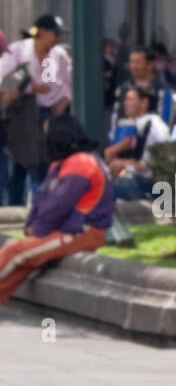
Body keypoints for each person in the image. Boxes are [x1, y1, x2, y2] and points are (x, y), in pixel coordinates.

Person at [0, 114, 112, 305]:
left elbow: (58, 205)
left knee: (16, 250)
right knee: (22, 257)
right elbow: (41, 199)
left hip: (82, 231)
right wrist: (31, 226)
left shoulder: (81, 163)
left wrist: (37, 230)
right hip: (65, 229)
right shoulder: (62, 163)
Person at [1, 14, 72, 206]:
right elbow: (4, 79)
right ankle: (15, 207)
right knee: (19, 163)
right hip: (23, 114)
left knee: (46, 163)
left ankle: (45, 205)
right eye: (55, 34)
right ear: (42, 32)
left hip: (48, 113)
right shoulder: (19, 51)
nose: (58, 39)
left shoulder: (57, 55)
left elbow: (62, 83)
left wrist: (64, 100)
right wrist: (26, 88)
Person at [105, 85, 171, 200]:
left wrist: (123, 164)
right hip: (144, 181)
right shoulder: (141, 125)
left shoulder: (153, 127)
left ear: (144, 103)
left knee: (113, 186)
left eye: (130, 99)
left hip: (155, 186)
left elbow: (150, 166)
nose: (125, 103)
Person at [109, 46, 171, 143]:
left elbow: (164, 122)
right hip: (121, 145)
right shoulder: (123, 89)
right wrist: (114, 142)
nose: (133, 66)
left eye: (138, 62)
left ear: (150, 64)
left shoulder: (161, 89)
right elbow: (115, 119)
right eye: (131, 62)